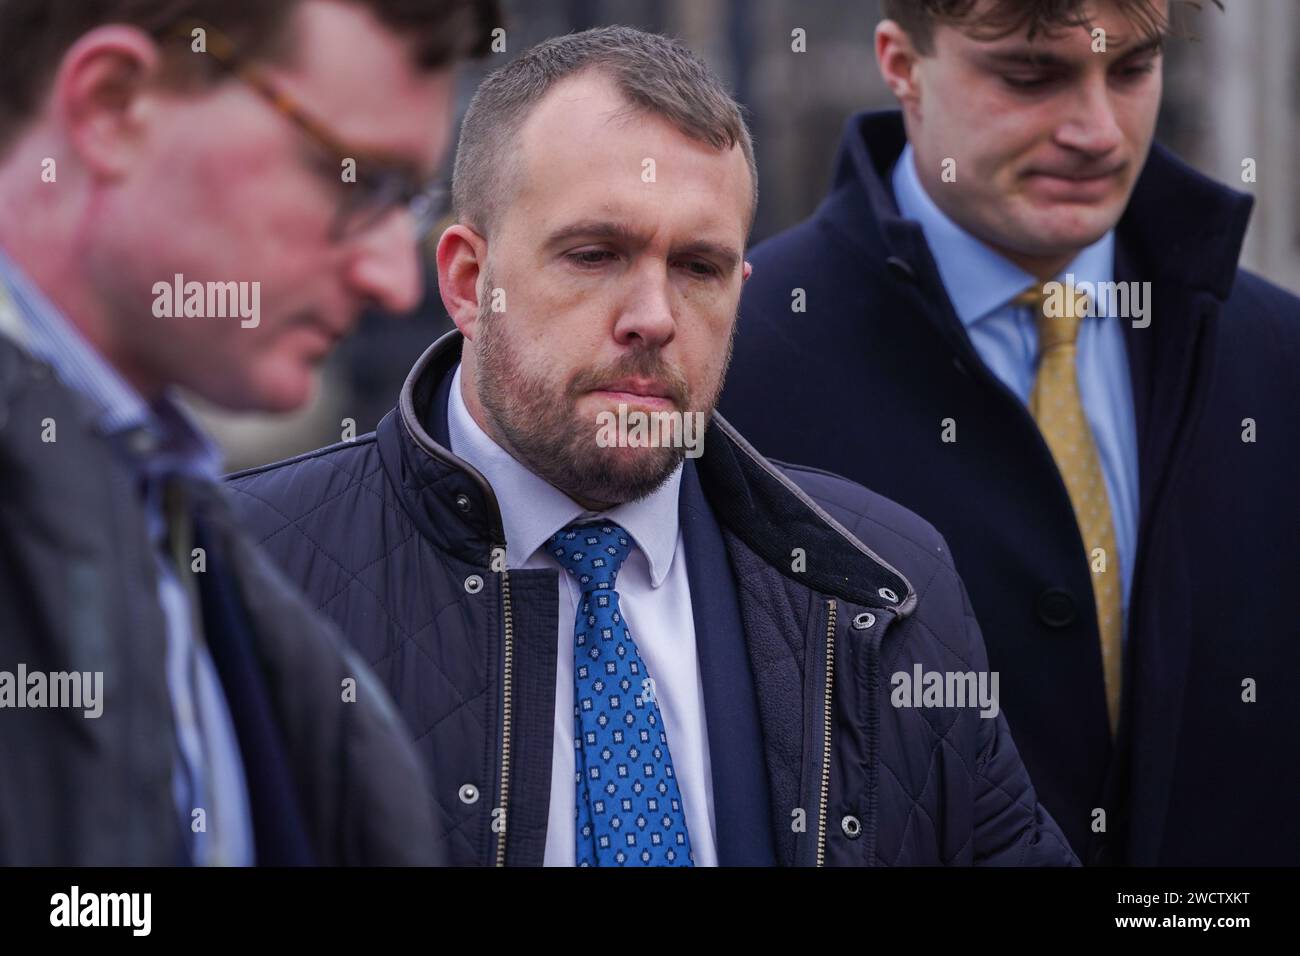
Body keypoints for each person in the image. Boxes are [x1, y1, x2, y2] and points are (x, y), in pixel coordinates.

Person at [227, 26, 1076, 867]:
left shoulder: (891, 587)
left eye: (699, 267)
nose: (655, 317)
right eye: (595, 255)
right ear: (465, 280)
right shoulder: (241, 575)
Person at [719, 0, 1300, 865]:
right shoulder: (734, 368)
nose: (1098, 131)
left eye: (1134, 67)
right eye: (1031, 74)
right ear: (902, 66)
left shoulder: (1276, 356)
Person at [0, 0, 498, 865]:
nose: (391, 277)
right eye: (356, 180)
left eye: (407, 202)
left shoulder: (160, 500)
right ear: (114, 105)